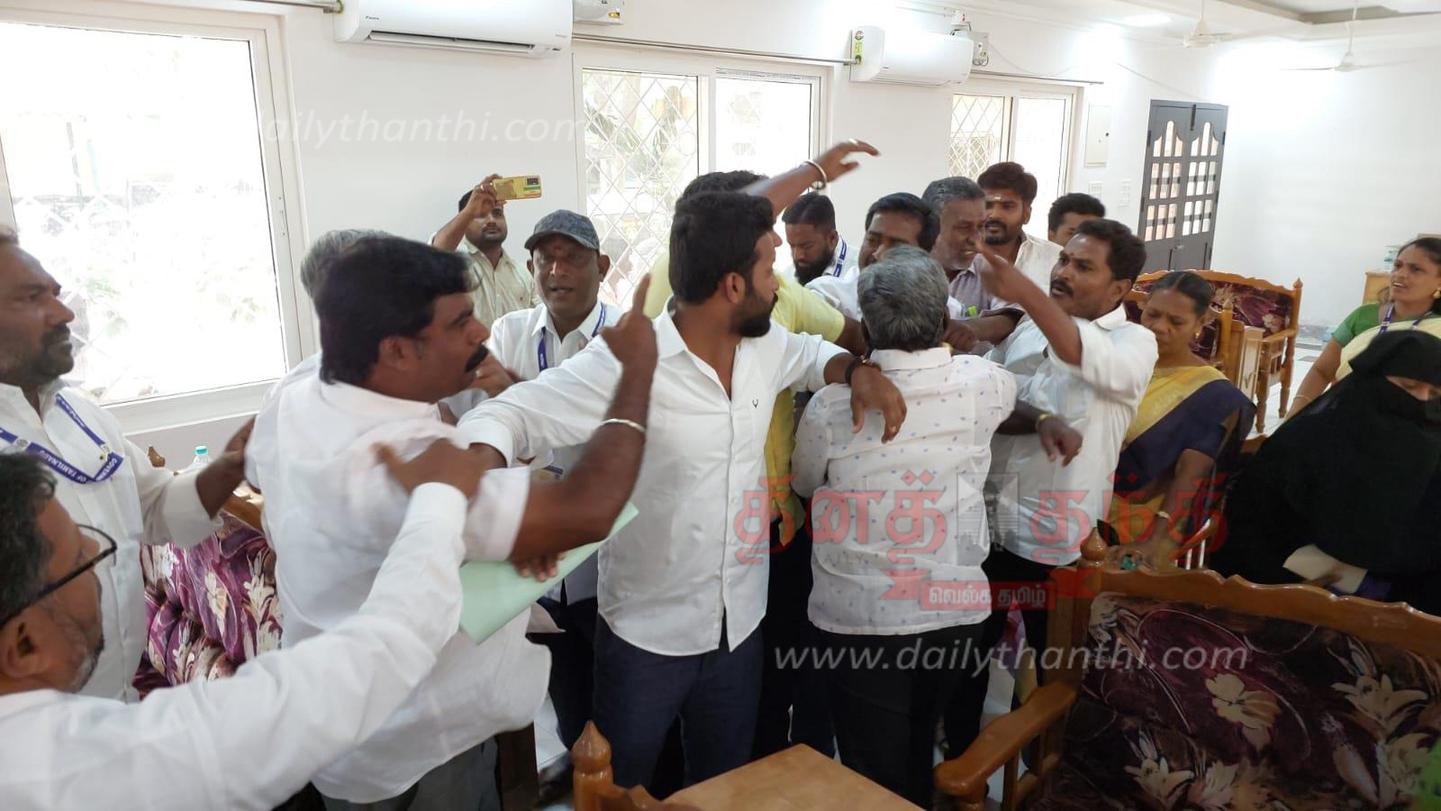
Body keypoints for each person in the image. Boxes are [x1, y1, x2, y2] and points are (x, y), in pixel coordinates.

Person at [458, 174, 909, 791]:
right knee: (621, 787)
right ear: (732, 286)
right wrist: (491, 493)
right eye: (769, 269)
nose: (778, 285)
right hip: (646, 636)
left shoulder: (764, 345)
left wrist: (855, 371)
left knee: (720, 786)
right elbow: (508, 414)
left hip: (739, 625)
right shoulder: (626, 361)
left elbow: (810, 355)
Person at [246, 235, 659, 809]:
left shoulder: (299, 389)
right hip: (416, 747)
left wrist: (505, 534)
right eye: (458, 321)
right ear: (394, 348)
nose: (482, 331)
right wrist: (635, 373)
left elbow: (265, 478)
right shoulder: (400, 455)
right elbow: (588, 511)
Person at [0, 440, 505, 810]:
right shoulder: (91, 771)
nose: (106, 562)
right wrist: (440, 503)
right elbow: (360, 667)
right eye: (87, 561)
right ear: (23, 645)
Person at [635, 157, 873, 763]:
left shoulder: (768, 316)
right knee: (672, 710)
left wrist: (857, 371)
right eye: (765, 235)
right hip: (693, 548)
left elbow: (820, 350)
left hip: (761, 532)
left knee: (742, 691)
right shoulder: (670, 319)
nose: (779, 256)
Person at [791, 246, 1022, 806]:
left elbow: (804, 482)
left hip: (862, 618)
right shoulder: (986, 384)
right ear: (943, 321)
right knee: (918, 746)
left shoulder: (831, 407)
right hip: (954, 612)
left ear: (866, 327)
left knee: (874, 771)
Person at [0, 230, 248, 701]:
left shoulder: (83, 415)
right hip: (26, 728)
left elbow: (156, 507)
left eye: (55, 293)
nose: (64, 313)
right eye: (32, 297)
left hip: (118, 704)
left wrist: (234, 465)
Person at [946, 218, 1156, 754]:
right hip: (991, 523)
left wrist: (1025, 292)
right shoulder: (1032, 329)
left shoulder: (1134, 342)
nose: (1064, 272)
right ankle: (962, 762)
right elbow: (993, 393)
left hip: (1059, 541)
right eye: (1063, 259)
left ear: (1119, 288)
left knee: (1053, 666)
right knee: (969, 652)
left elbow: (1079, 351)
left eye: (1083, 267)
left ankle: (1048, 767)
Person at [458, 209, 619, 800]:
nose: (556, 271)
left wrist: (515, 395)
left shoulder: (626, 338)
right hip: (538, 565)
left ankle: (626, 788)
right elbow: (488, 431)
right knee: (567, 693)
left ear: (602, 266)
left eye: (572, 258)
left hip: (607, 558)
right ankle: (580, 781)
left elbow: (605, 437)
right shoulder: (509, 333)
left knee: (624, 704)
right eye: (544, 259)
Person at [1210, 330, 1441, 616]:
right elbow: (1256, 527)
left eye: (1434, 394)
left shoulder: (1431, 449)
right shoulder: (1307, 440)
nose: (1421, 401)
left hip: (1406, 599)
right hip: (1290, 587)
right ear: (1370, 381)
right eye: (1408, 386)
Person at [1107, 271, 1255, 567]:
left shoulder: (1212, 395)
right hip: (1072, 494)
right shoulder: (1114, 360)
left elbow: (1189, 476)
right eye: (1152, 314)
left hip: (1132, 522)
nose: (1159, 327)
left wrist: (1153, 541)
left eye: (1176, 322)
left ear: (1201, 324)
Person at [1293, 238, 1441, 412]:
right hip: (1343, 415)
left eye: (1415, 269)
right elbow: (1322, 371)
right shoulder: (1363, 316)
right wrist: (1296, 413)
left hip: (1408, 424)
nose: (1400, 274)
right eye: (1398, 266)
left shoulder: (1437, 328)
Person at [804, 192, 940, 321]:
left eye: (896, 246)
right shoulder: (827, 297)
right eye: (872, 240)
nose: (878, 254)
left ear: (924, 255)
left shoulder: (942, 308)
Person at [430, 176, 540, 326]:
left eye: (497, 213)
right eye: (481, 215)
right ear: (465, 221)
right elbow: (433, 255)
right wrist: (470, 210)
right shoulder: (453, 263)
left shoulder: (523, 274)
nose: (491, 220)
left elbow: (538, 323)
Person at [977, 162, 1063, 291]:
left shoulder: (1055, 259)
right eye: (987, 205)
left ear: (1026, 214)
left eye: (1007, 206)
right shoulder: (958, 258)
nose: (994, 215)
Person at [782, 192, 857, 284]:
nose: (797, 255)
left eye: (807, 246)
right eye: (792, 246)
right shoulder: (787, 278)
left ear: (832, 239)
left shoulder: (861, 271)